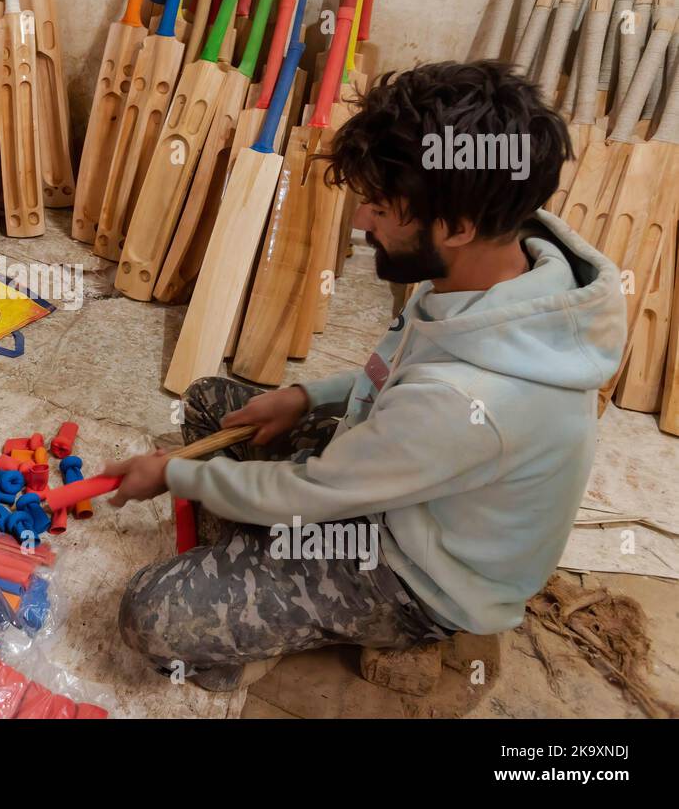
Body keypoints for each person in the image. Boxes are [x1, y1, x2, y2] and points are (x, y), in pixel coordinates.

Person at [108, 61, 627, 691]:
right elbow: (398, 374)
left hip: (416, 574)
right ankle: (254, 555)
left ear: (458, 228)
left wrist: (173, 473)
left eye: (381, 207)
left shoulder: (472, 400)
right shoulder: (499, 272)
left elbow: (321, 487)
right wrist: (303, 398)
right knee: (212, 404)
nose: (360, 221)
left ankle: (320, 624)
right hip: (406, 482)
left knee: (151, 612)